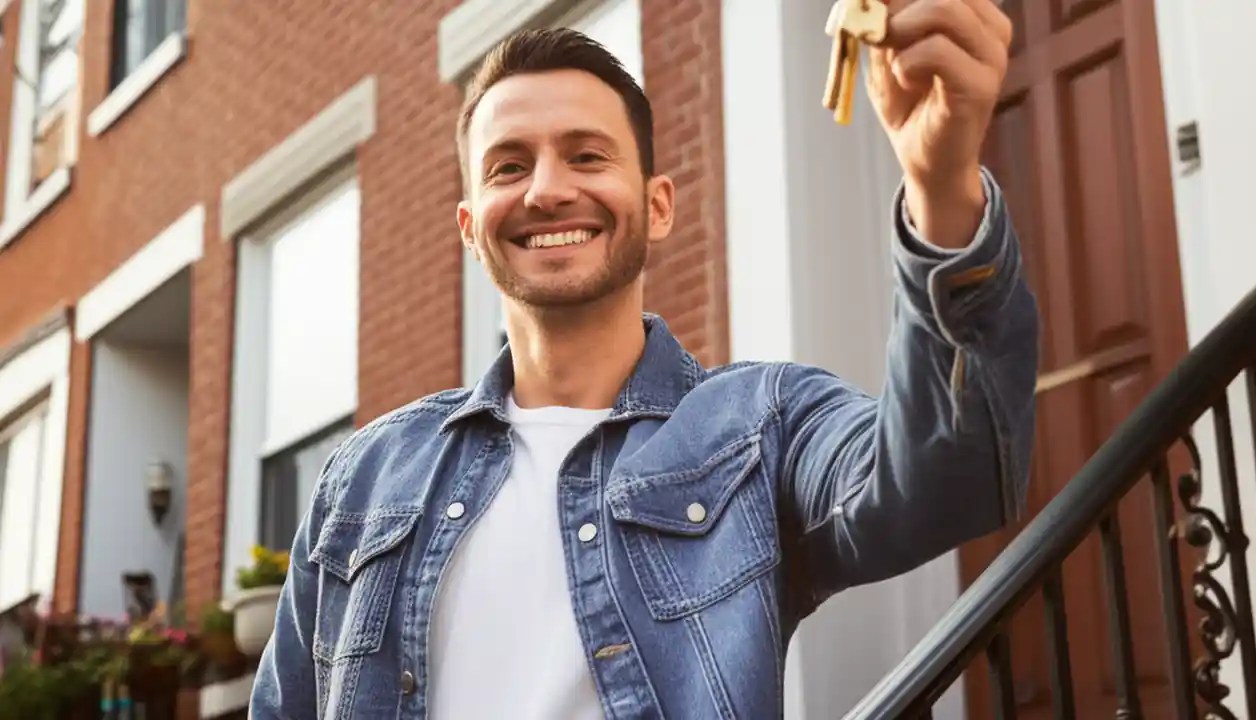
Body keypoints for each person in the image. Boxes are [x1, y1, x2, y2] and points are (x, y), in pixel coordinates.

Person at [251, 1, 1037, 717]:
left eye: (587, 156)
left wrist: (941, 186)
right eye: (509, 166)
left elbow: (948, 480)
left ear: (658, 207)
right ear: (469, 228)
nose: (546, 190)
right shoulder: (364, 477)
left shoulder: (762, 426)